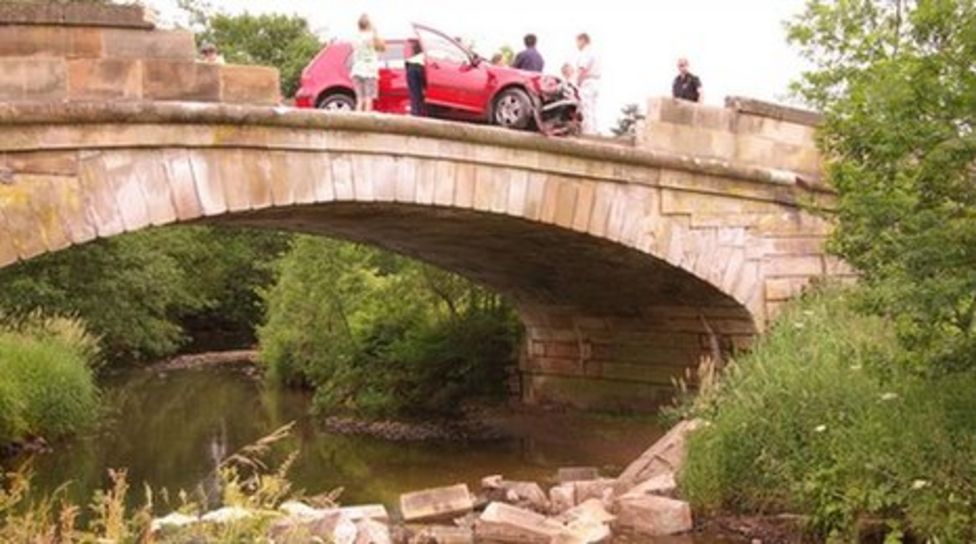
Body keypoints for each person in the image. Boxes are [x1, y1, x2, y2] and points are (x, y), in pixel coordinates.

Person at [351, 14, 385, 112]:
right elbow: (382, 48)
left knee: (360, 99)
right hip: (369, 71)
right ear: (369, 24)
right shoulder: (371, 36)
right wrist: (375, 32)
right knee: (368, 99)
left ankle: (356, 123)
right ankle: (366, 124)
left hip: (356, 70)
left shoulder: (355, 37)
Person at [574, 32, 601, 135]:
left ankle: (587, 132)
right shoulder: (595, 52)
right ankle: (593, 131)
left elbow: (583, 69)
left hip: (588, 81)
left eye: (578, 42)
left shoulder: (586, 52)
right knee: (592, 108)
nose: (577, 45)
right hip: (596, 82)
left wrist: (578, 83)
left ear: (583, 40)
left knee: (585, 108)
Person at [405, 39, 426, 117]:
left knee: (415, 94)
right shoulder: (430, 53)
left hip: (412, 66)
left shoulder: (413, 58)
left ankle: (416, 114)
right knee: (420, 95)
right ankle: (419, 113)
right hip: (420, 67)